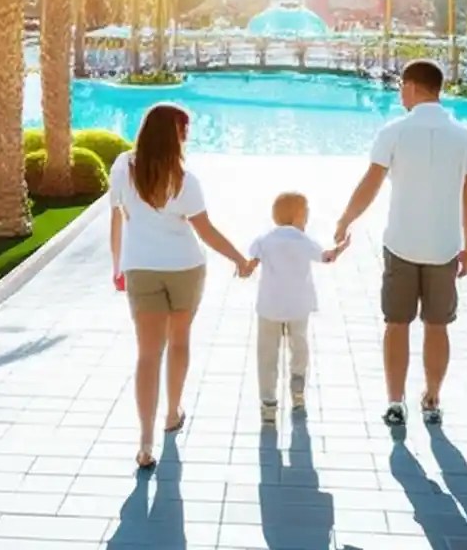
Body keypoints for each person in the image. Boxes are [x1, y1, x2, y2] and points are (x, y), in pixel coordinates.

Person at [334, 59, 467, 427]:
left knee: (396, 323)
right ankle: (432, 399)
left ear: (413, 86)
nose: (400, 92)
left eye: (402, 85)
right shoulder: (464, 137)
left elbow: (371, 183)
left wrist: (345, 219)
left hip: (401, 244)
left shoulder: (394, 132)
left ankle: (395, 402)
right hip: (444, 247)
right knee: (437, 325)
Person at [109, 103, 252, 470]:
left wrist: (117, 265)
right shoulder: (185, 181)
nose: (187, 136)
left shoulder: (123, 168)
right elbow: (205, 231)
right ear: (174, 135)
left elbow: (118, 219)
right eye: (184, 129)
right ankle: (172, 413)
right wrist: (239, 259)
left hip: (141, 268)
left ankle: (145, 442)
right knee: (179, 341)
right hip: (185, 268)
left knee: (147, 354)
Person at [244, 192, 349, 423]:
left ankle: (268, 402)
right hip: (298, 308)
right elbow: (326, 257)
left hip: (269, 308)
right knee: (299, 347)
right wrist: (340, 248)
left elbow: (252, 262)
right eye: (306, 212)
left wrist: (245, 268)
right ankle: (298, 390)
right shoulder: (304, 241)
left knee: (266, 354)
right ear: (298, 216)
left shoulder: (264, 240)